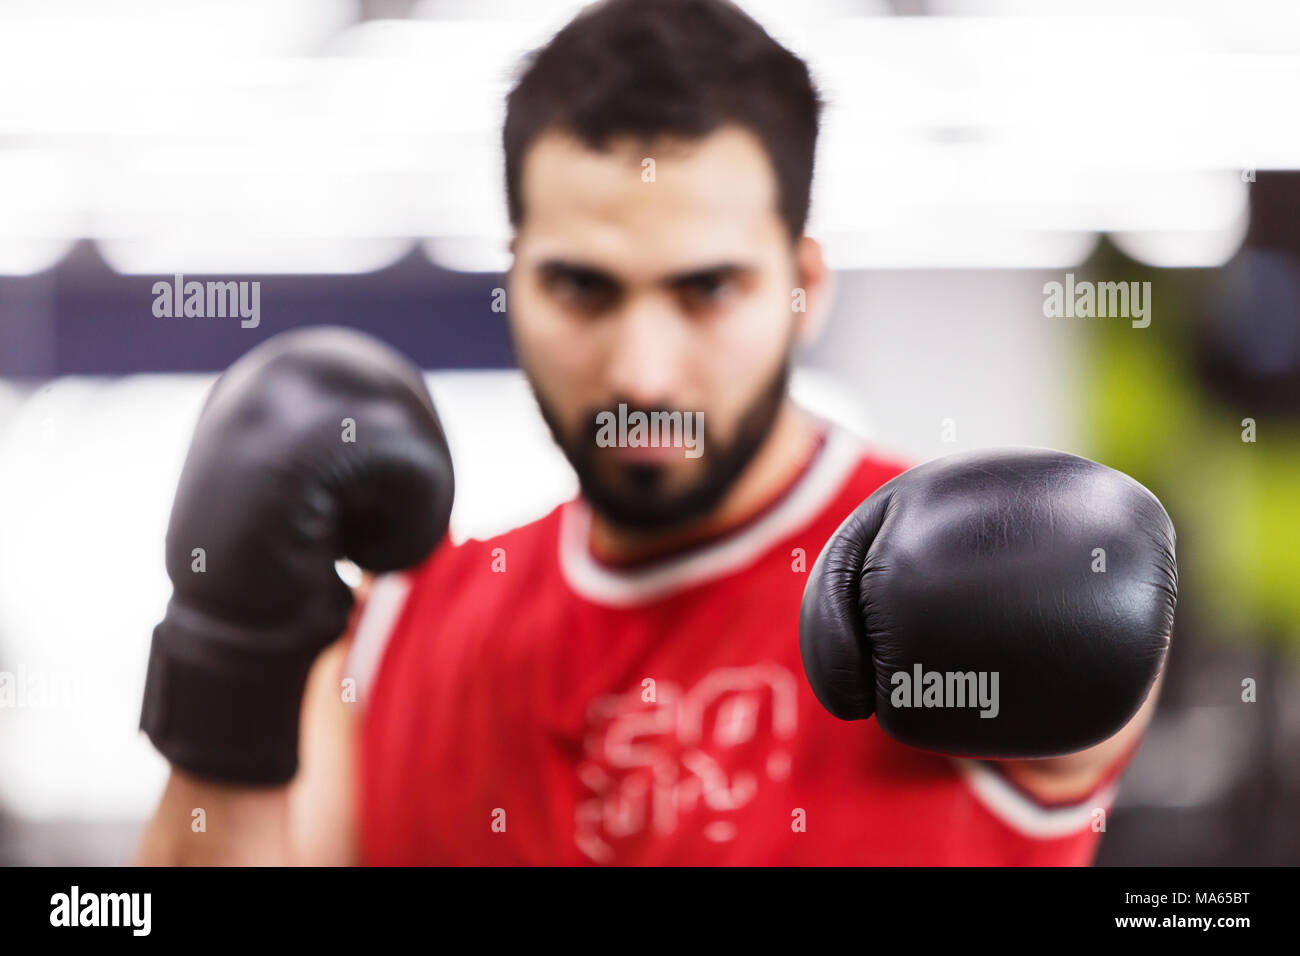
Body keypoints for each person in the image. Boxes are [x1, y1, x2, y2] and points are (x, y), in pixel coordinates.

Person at [135, 0, 1174, 866]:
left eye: (706, 288)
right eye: (581, 286)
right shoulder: (400, 624)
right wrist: (229, 659)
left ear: (804, 287)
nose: (640, 368)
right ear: (514, 282)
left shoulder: (953, 590)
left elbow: (1094, 703)